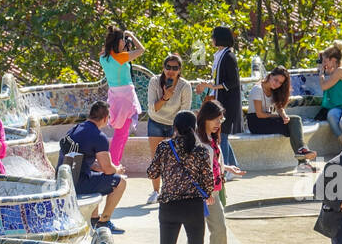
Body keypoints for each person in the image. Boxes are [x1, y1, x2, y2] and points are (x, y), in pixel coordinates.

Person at [146, 111, 214, 244]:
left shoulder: (165, 147)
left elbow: (152, 172)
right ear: (194, 127)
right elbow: (208, 181)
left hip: (168, 206)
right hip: (192, 207)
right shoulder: (200, 150)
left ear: (174, 127)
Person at [182, 99, 244, 244]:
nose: (219, 123)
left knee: (220, 229)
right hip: (199, 195)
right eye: (215, 119)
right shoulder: (196, 140)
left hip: (214, 193)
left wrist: (228, 168)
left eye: (221, 119)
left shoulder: (211, 138)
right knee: (196, 232)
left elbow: (214, 162)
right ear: (205, 119)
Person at [57, 101, 128, 233]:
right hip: (77, 184)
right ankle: (104, 222)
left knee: (95, 177)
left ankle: (94, 219)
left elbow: (86, 161)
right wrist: (117, 169)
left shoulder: (75, 129)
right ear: (106, 118)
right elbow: (108, 169)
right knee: (120, 182)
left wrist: (100, 168)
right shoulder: (98, 136)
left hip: (62, 180)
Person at [246, 66, 318, 171]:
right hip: (256, 122)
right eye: (276, 80)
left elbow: (279, 107)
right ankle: (302, 156)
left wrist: (284, 115)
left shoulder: (274, 90)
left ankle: (302, 158)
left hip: (266, 120)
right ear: (270, 76)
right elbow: (260, 114)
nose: (277, 84)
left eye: (280, 83)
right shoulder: (258, 89)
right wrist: (277, 116)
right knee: (294, 124)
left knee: (293, 125)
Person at [145, 53, 194, 204]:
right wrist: (166, 96)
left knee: (176, 158)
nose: (171, 71)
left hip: (175, 124)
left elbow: (185, 110)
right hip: (156, 122)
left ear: (180, 70)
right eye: (168, 67)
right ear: (163, 68)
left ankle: (172, 189)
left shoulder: (185, 86)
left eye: (175, 68)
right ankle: (155, 191)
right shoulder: (154, 82)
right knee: (156, 158)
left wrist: (178, 130)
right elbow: (153, 109)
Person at [195, 26, 242, 169]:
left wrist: (213, 87)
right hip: (220, 100)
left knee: (223, 135)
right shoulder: (220, 55)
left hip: (227, 103)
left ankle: (226, 167)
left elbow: (233, 82)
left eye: (213, 37)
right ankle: (233, 166)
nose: (211, 40)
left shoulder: (228, 56)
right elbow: (218, 80)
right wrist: (208, 85)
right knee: (223, 135)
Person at [98, 26, 145, 169]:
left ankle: (115, 164)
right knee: (121, 135)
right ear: (118, 42)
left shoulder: (103, 58)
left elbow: (108, 52)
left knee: (122, 134)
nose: (124, 43)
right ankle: (113, 166)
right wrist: (131, 35)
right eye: (122, 41)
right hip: (126, 98)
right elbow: (141, 50)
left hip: (114, 96)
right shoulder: (122, 57)